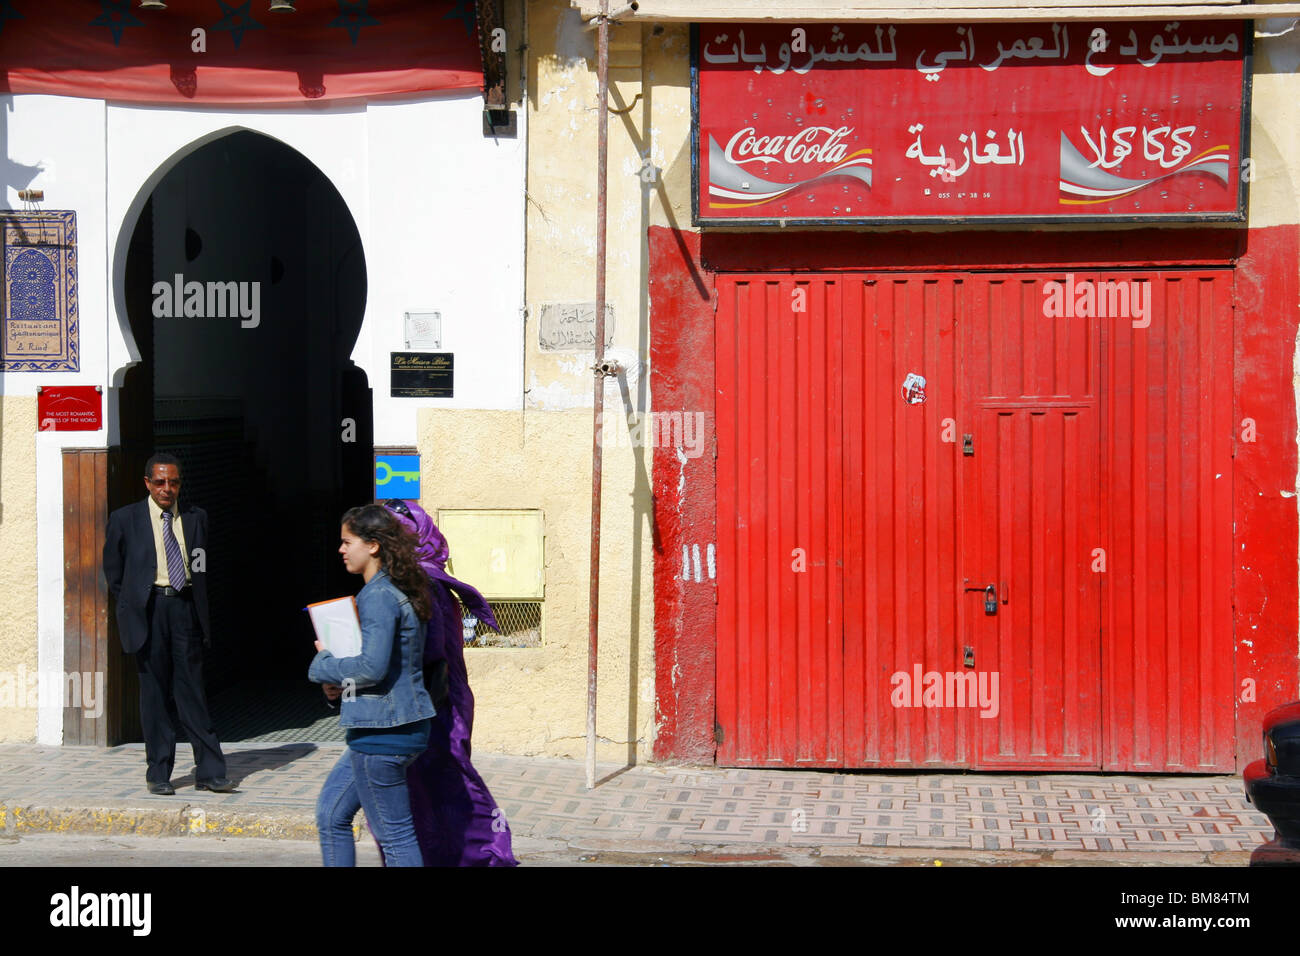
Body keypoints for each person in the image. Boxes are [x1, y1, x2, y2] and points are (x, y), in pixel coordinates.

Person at [381, 498, 518, 867]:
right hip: (437, 699)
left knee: (447, 782)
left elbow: (428, 650)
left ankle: (486, 852)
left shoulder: (424, 583)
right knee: (429, 790)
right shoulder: (423, 579)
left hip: (437, 704)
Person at [309, 504, 435, 867]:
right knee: (331, 814)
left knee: (395, 837)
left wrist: (324, 665)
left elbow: (371, 667)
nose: (341, 549)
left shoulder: (378, 596)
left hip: (382, 735)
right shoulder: (398, 589)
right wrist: (338, 684)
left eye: (348, 542)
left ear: (374, 546)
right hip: (384, 730)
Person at [103, 452, 232, 795]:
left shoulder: (195, 518)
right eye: (160, 482)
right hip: (149, 611)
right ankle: (158, 772)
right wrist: (133, 606)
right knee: (155, 694)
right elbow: (113, 573)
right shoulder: (124, 519)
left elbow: (204, 570)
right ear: (147, 483)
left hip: (184, 608)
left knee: (192, 691)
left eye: (173, 482)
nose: (167, 488)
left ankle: (210, 770)